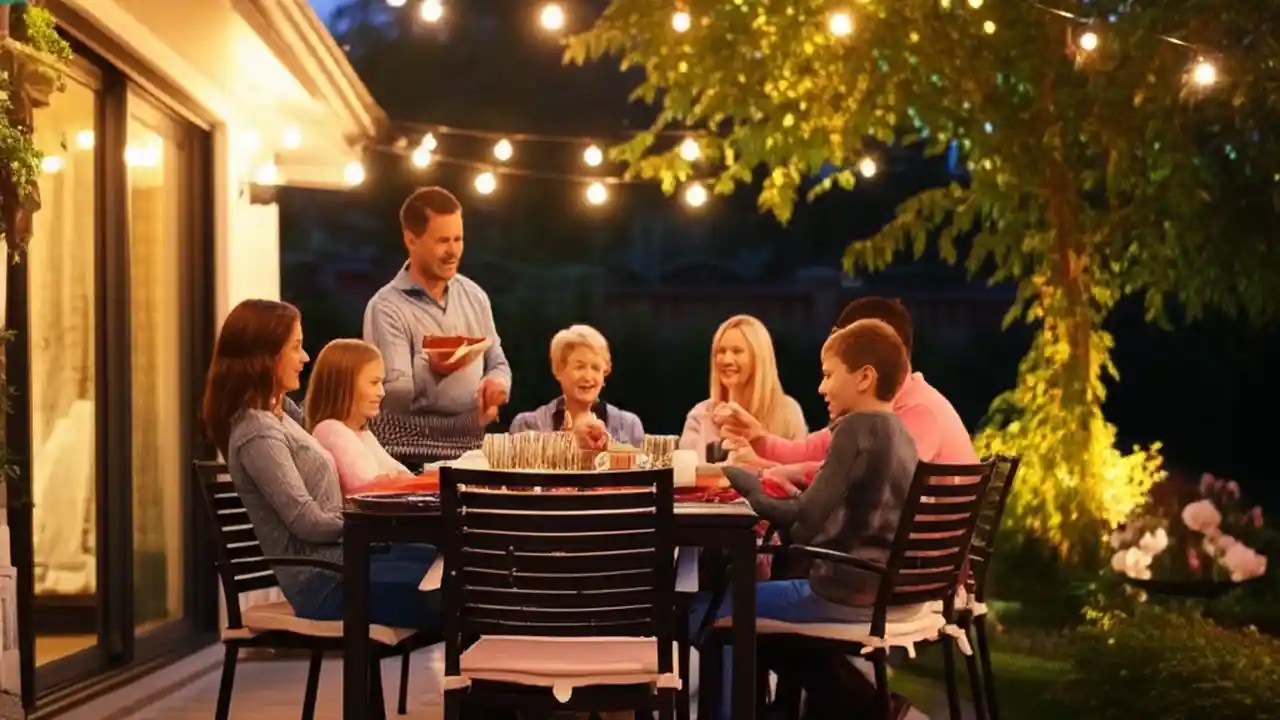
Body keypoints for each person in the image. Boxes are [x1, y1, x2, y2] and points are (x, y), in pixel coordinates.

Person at [706, 319, 921, 719]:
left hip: (845, 590)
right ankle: (859, 709)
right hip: (880, 588)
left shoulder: (854, 429)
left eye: (828, 375)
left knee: (728, 603)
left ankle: (871, 711)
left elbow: (803, 523)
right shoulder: (899, 432)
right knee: (774, 633)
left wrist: (742, 480)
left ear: (864, 378)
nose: (821, 387)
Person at [203, 299, 439, 631]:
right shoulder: (258, 434)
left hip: (348, 564)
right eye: (296, 347)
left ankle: (482, 679)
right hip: (327, 585)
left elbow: (329, 418)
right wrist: (372, 514)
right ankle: (482, 681)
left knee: (457, 564)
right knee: (459, 588)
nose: (305, 357)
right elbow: (308, 522)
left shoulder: (280, 412)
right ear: (265, 356)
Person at [722, 297, 977, 491]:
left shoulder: (920, 412)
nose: (823, 386)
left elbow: (861, 483)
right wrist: (759, 440)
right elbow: (814, 450)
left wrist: (775, 472)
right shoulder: (875, 413)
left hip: (911, 558)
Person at [363, 186, 512, 468]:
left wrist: (497, 384)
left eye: (458, 239)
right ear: (411, 240)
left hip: (471, 450)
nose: (453, 251)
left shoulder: (475, 296)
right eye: (443, 241)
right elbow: (393, 397)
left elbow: (498, 362)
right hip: (406, 453)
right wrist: (436, 369)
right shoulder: (386, 307)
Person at [305, 338, 432, 495]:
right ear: (344, 386)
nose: (381, 392)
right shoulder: (330, 429)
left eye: (381, 383)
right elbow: (372, 488)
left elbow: (405, 477)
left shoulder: (363, 434)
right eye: (373, 383)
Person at [678, 314, 807, 462]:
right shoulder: (700, 415)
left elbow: (801, 475)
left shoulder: (787, 412)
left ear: (758, 357)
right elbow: (685, 476)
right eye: (721, 351)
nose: (726, 360)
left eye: (737, 351)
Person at [509, 324, 645, 446]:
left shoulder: (629, 426)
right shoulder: (528, 425)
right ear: (558, 370)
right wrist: (572, 441)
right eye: (579, 367)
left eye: (596, 368)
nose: (588, 377)